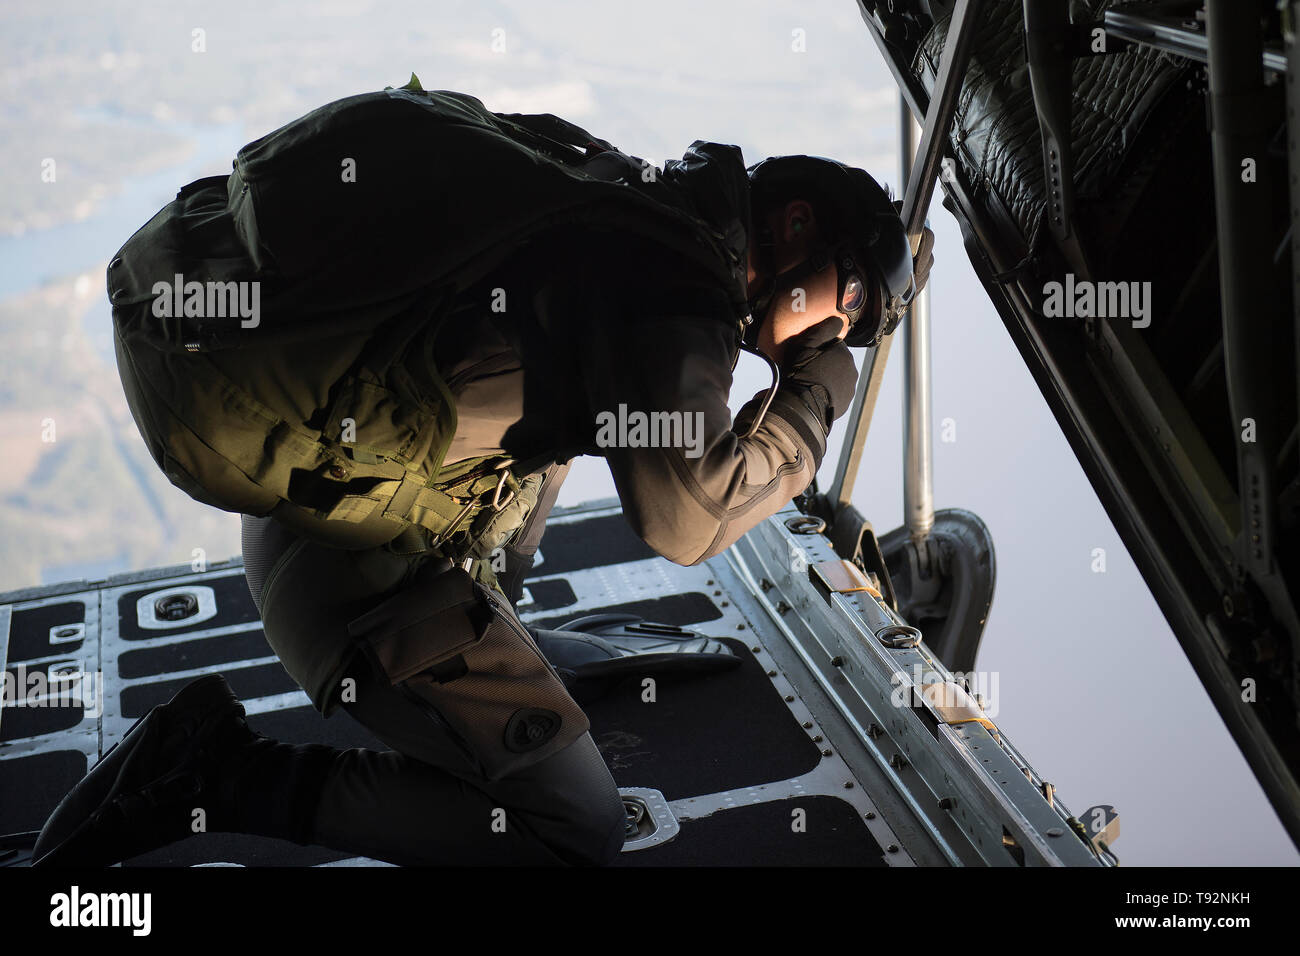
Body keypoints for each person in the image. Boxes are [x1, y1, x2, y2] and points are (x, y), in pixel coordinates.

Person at [32, 142, 933, 868]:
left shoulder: (630, 199)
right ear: (795, 222)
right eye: (849, 298)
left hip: (330, 513)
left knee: (581, 415)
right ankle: (221, 774)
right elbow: (688, 520)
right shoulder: (675, 279)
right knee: (576, 830)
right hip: (360, 586)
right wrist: (813, 397)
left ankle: (493, 635)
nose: (836, 329)